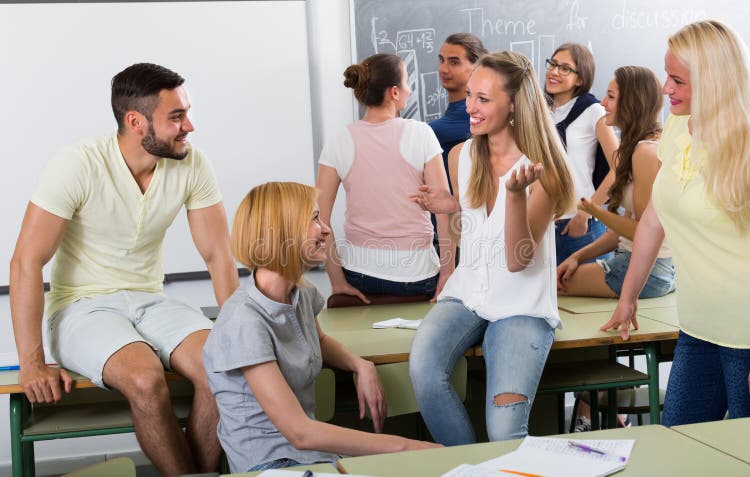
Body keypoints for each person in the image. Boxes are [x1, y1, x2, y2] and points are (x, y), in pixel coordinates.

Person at [9, 63, 239, 476]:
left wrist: (241, 330)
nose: (190, 125)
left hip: (151, 301)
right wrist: (32, 361)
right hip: (82, 308)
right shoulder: (76, 163)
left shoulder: (192, 163)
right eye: (176, 116)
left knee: (225, 365)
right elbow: (27, 260)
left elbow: (218, 255)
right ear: (136, 122)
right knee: (145, 379)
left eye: (186, 112)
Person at [602, 20, 750, 426]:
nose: (665, 89)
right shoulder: (678, 126)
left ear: (715, 81)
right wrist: (628, 295)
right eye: (666, 75)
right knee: (680, 443)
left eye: (678, 79)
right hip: (698, 328)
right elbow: (656, 218)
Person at [203, 182, 440, 472]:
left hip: (315, 456)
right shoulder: (244, 320)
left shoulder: (299, 293)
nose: (326, 229)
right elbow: (300, 433)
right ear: (283, 231)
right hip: (273, 465)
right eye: (314, 218)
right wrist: (406, 447)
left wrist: (359, 364)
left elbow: (319, 340)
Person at [408, 51, 575, 445]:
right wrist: (451, 208)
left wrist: (515, 195)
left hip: (521, 304)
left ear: (514, 104)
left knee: (503, 429)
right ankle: (467, 466)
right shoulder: (460, 156)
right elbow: (470, 239)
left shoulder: (543, 168)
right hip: (467, 295)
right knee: (423, 370)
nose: (469, 107)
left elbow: (518, 261)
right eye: (469, 95)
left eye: (483, 99)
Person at [317, 53, 454, 303]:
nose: (410, 90)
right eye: (406, 82)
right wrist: (447, 272)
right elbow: (444, 210)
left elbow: (318, 220)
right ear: (394, 92)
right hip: (418, 275)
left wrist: (337, 280)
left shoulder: (338, 140)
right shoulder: (421, 134)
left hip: (359, 274)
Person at [556, 66, 675, 300]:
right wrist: (577, 257)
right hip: (645, 266)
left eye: (611, 97)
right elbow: (620, 234)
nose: (602, 103)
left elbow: (644, 232)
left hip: (649, 271)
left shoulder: (646, 153)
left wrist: (593, 211)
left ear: (632, 102)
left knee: (546, 288)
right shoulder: (639, 147)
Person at [544, 43, 619, 264]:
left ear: (580, 78)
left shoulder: (592, 110)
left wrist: (586, 212)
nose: (554, 72)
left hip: (581, 227)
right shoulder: (539, 110)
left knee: (590, 298)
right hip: (543, 227)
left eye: (565, 68)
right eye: (553, 64)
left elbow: (619, 166)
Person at [429, 32, 487, 187]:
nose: (443, 69)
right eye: (442, 60)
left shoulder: (473, 114)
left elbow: (427, 133)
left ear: (477, 66)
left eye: (454, 62)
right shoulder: (453, 112)